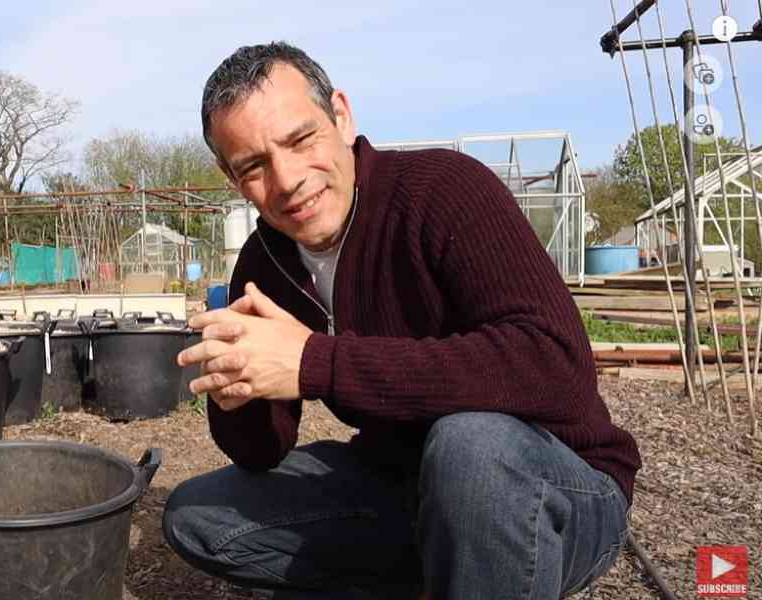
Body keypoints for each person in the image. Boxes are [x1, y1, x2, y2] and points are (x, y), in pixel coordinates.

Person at [162, 42, 641, 600]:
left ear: (340, 115)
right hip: (403, 484)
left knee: (472, 445)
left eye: (300, 140)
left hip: (556, 484)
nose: (288, 180)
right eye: (254, 166)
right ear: (231, 175)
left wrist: (317, 362)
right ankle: (454, 572)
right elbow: (262, 456)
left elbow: (556, 366)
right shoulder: (265, 262)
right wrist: (236, 396)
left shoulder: (443, 190)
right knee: (199, 516)